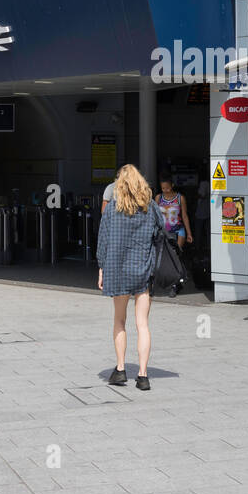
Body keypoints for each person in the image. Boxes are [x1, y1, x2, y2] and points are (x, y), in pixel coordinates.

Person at [96, 164, 163, 391]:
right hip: (143, 269)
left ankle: (121, 369)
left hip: (117, 269)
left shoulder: (113, 208)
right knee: (142, 323)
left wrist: (101, 268)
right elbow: (161, 232)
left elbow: (103, 240)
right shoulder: (151, 207)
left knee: (119, 321)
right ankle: (143, 376)